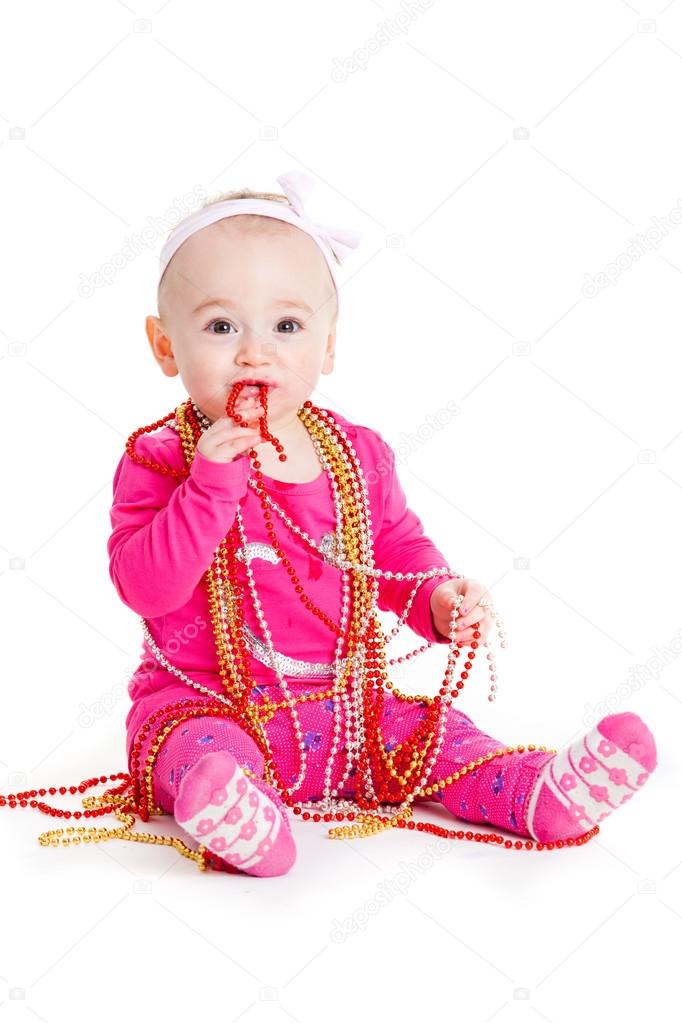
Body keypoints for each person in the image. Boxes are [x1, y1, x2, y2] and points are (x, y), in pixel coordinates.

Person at [108, 170, 657, 877]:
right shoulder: (160, 460)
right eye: (220, 326)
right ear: (164, 346)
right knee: (193, 751)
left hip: (346, 709)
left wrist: (437, 599)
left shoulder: (356, 456)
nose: (255, 352)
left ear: (328, 347)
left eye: (287, 325)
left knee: (433, 735)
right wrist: (210, 486)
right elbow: (147, 587)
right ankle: (241, 817)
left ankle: (534, 791)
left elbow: (396, 551)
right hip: (211, 704)